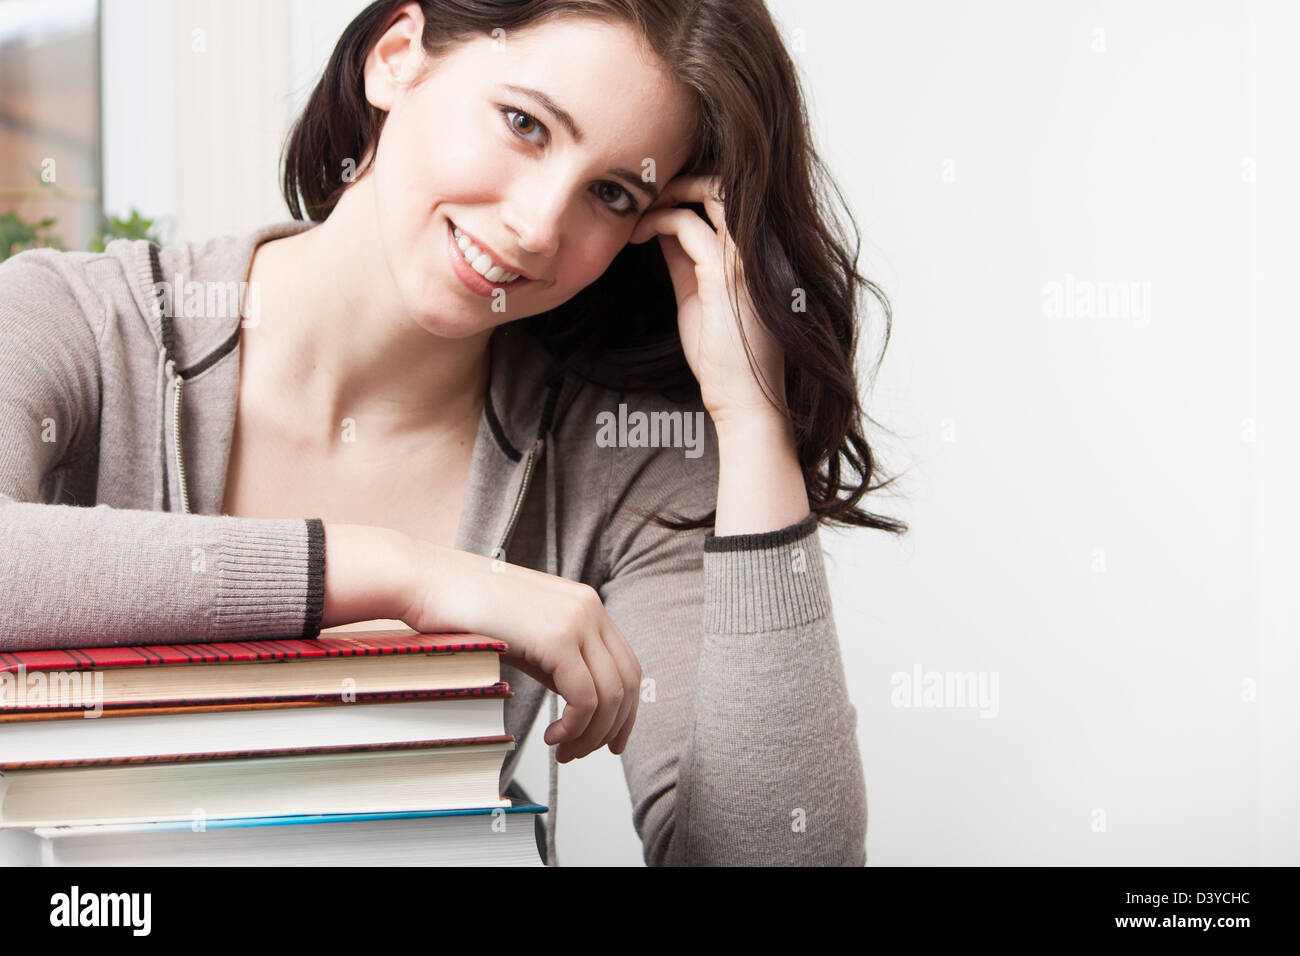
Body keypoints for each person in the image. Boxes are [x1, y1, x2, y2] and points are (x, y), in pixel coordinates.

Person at [0, 0, 906, 865]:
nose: (539, 226)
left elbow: (779, 859)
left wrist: (751, 422)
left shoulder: (617, 460)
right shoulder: (75, 324)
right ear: (396, 59)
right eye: (524, 124)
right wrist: (405, 575)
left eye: (612, 195)